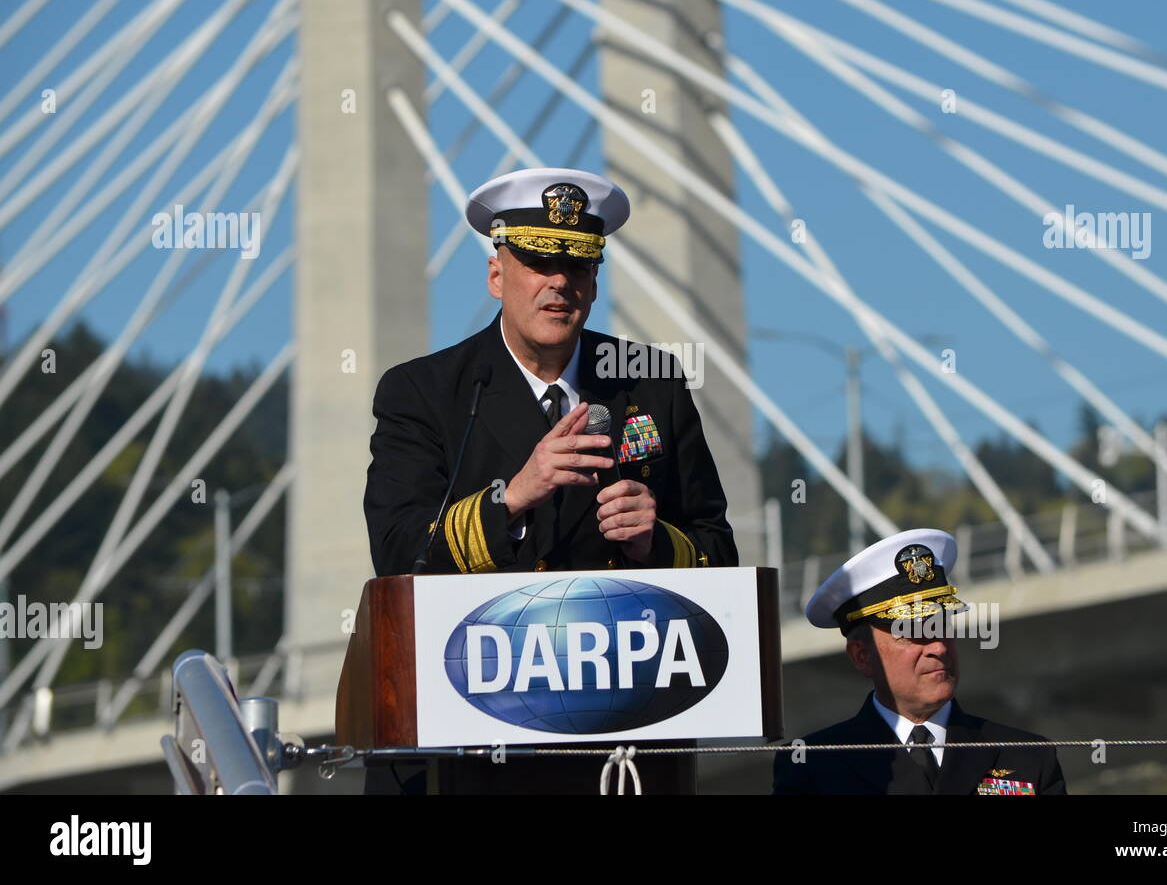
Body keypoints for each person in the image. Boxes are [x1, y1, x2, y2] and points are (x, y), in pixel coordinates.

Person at [362, 167, 738, 794]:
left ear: (595, 279)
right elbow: (398, 553)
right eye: (538, 262)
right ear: (495, 275)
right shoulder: (425, 393)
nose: (559, 282)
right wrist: (510, 498)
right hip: (475, 756)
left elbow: (720, 553)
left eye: (580, 266)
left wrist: (655, 542)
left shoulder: (651, 384)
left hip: (624, 758)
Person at [773, 528, 1066, 795]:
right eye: (913, 632)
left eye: (941, 626)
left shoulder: (1028, 756)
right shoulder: (814, 766)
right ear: (863, 657)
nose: (938, 646)